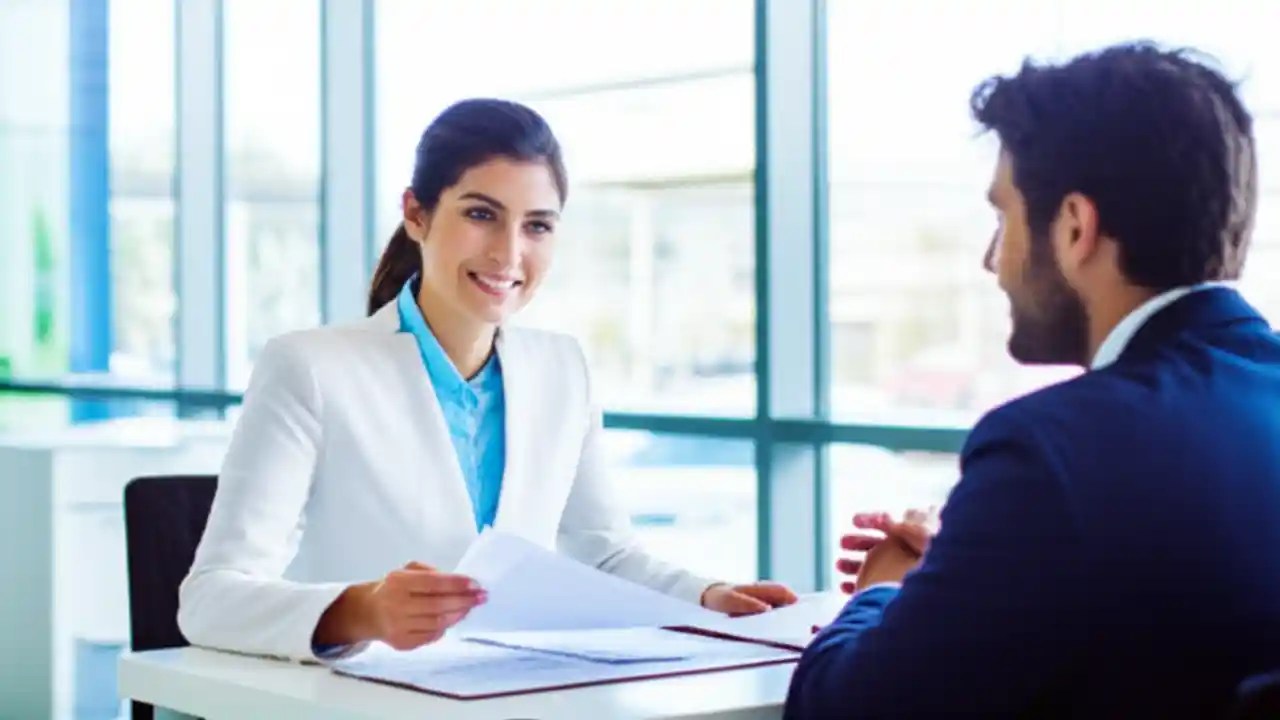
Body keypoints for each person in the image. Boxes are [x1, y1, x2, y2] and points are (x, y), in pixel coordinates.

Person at [178, 98, 795, 661]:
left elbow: (603, 553)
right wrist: (360, 610)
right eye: (481, 214)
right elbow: (210, 599)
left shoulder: (563, 369)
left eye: (537, 226)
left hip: (516, 693)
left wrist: (709, 596)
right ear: (416, 214)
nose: (508, 253)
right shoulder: (311, 369)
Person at [787, 43, 1280, 719]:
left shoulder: (1055, 452)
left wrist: (891, 587)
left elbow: (842, 710)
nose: (994, 261)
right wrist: (977, 569)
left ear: (1075, 227)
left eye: (1003, 217)